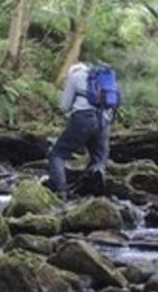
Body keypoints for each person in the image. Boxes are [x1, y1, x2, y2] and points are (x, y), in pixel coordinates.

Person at [47, 62, 115, 199]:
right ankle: (94, 193)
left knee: (57, 154)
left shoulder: (75, 76)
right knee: (99, 159)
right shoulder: (105, 77)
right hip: (104, 121)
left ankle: (61, 192)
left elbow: (65, 106)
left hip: (83, 119)